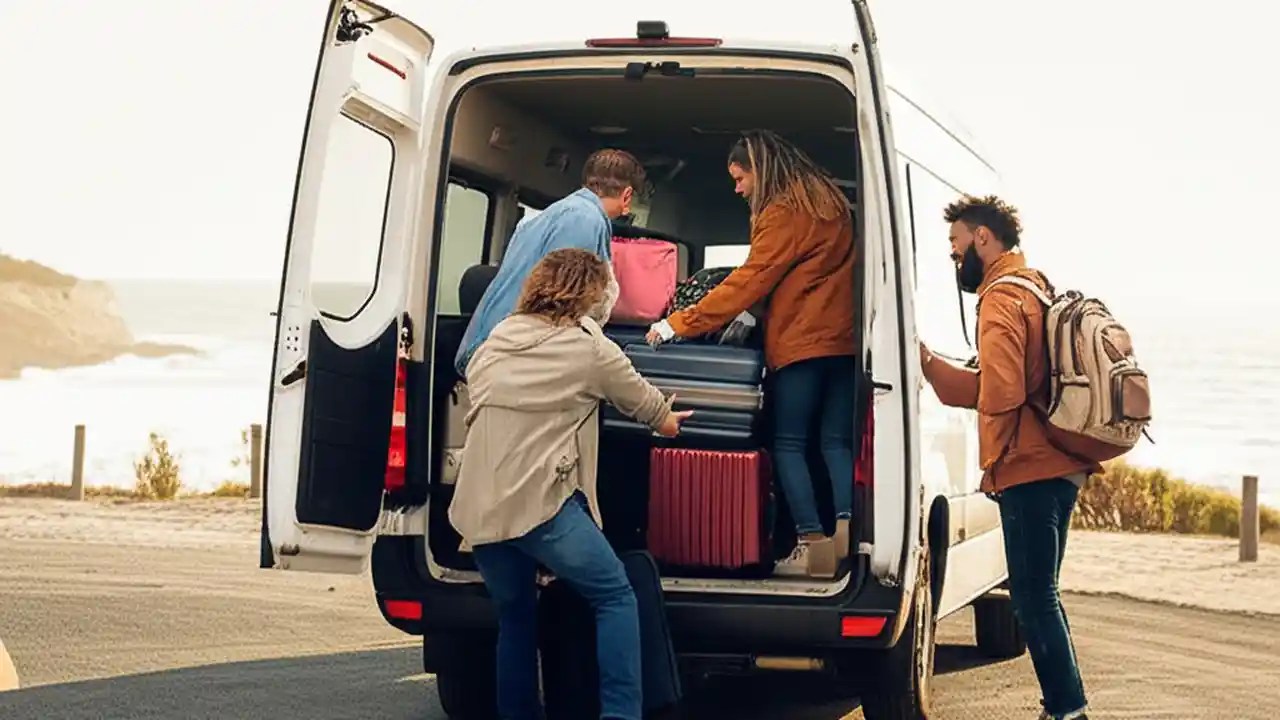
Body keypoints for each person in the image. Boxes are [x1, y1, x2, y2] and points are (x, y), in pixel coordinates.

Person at [449, 248, 693, 720]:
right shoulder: (589, 348)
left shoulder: (498, 339)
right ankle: (621, 714)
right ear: (592, 294)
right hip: (541, 506)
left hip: (480, 506)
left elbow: (480, 391)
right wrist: (669, 418)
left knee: (516, 619)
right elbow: (646, 406)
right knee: (615, 594)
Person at [645, 129, 857, 579]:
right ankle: (844, 531)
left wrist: (678, 322)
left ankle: (810, 542)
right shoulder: (832, 203)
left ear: (761, 169)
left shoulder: (784, 212)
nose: (738, 188)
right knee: (836, 442)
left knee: (788, 442)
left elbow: (750, 280)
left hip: (800, 342)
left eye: (740, 178)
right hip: (843, 344)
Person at [918, 195, 1095, 720]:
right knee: (1042, 594)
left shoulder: (999, 299)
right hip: (1063, 462)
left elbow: (1002, 392)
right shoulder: (1036, 285)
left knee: (1033, 598)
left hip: (1029, 466)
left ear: (982, 238)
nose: (953, 258)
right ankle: (1063, 707)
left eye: (955, 245)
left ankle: (1068, 711)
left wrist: (928, 366)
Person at [454, 148, 647, 376]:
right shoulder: (585, 220)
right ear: (627, 195)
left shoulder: (548, 216)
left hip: (496, 350)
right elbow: (561, 304)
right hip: (511, 359)